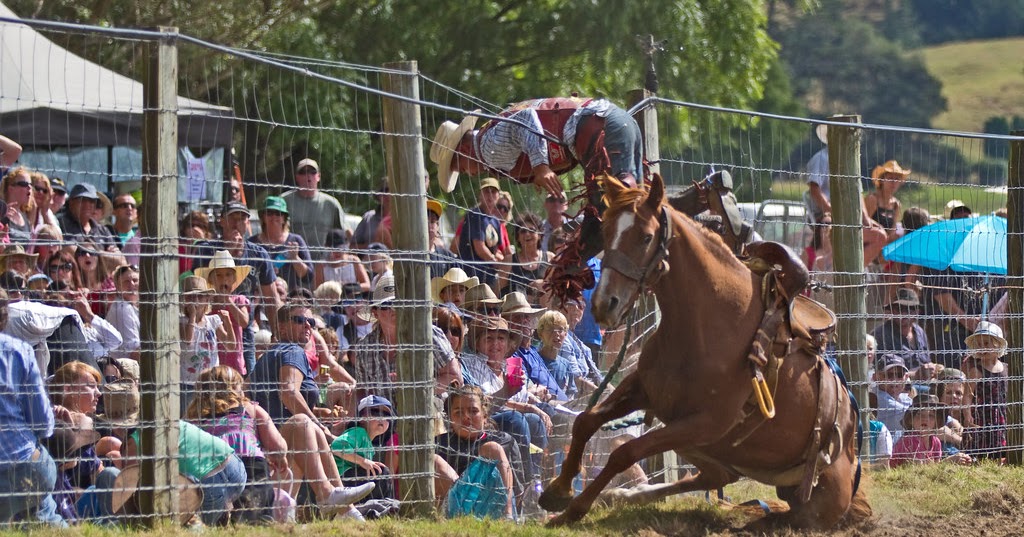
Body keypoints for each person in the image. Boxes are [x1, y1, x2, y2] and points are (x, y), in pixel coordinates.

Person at [245, 300, 376, 514]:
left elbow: (258, 394)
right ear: (282, 327)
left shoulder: (266, 356)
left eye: (311, 321)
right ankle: (327, 495)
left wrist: (317, 414)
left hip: (270, 453)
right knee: (305, 423)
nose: (307, 325)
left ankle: (346, 510)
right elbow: (288, 393)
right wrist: (317, 422)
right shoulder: (292, 351)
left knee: (310, 426)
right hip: (278, 454)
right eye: (299, 320)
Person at [430, 97, 643, 198]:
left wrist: (540, 165)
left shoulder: (486, 149)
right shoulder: (491, 134)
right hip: (616, 122)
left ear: (465, 151)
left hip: (601, 130)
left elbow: (526, 118)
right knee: (638, 203)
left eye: (463, 168)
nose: (470, 174)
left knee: (611, 207)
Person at [186, 365, 290, 524]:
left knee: (214, 512)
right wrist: (278, 455)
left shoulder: (196, 417)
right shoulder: (249, 409)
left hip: (211, 468)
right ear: (234, 388)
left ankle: (221, 518)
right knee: (254, 512)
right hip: (250, 463)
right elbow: (278, 446)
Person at [459, 316, 548, 490]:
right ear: (477, 344)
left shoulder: (511, 365)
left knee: (539, 420)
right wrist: (513, 396)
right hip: (487, 419)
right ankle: (525, 486)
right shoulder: (473, 364)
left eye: (500, 339)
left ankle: (540, 479)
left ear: (508, 344)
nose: (495, 344)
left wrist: (536, 402)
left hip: (513, 414)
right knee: (517, 420)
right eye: (489, 339)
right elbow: (482, 404)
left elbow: (521, 397)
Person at [192, 202, 281, 366]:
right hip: (210, 326)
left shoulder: (258, 254)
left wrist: (278, 333)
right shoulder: (205, 250)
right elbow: (196, 289)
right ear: (222, 221)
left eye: (242, 219)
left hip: (243, 327)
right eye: (233, 218)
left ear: (248, 223)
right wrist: (230, 253)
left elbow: (272, 299)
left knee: (245, 379)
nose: (237, 223)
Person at [0, 330, 65, 526]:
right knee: (42, 509)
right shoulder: (17, 350)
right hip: (27, 465)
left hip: (24, 471)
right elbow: (44, 425)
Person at [433, 386, 521, 519]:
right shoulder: (439, 443)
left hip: (493, 505)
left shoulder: (503, 440)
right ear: (450, 419)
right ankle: (462, 520)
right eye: (458, 412)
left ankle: (508, 518)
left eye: (473, 411)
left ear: (485, 417)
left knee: (492, 448)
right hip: (454, 509)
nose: (466, 417)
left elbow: (519, 490)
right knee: (433, 460)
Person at [179, 276, 235, 412]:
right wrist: (192, 316)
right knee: (189, 415)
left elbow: (231, 345)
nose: (196, 301)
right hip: (188, 382)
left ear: (207, 299)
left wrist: (227, 321)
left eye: (200, 297)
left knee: (210, 414)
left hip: (211, 381)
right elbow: (188, 341)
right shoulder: (181, 321)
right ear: (184, 301)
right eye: (191, 297)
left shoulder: (213, 320)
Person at [330, 395, 399, 502]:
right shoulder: (358, 432)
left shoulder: (368, 444)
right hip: (341, 479)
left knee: (378, 471)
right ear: (362, 417)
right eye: (375, 412)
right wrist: (363, 461)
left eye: (386, 415)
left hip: (351, 480)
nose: (382, 418)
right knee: (381, 473)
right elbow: (336, 446)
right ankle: (384, 505)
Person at [196, 250, 251, 376]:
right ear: (211, 279)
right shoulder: (207, 305)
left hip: (234, 363)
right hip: (211, 363)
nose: (224, 279)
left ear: (234, 279)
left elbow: (244, 322)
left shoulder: (239, 300)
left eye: (228, 275)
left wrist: (227, 300)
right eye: (218, 275)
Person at [281, 159, 348, 259]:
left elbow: (343, 236)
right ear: (297, 177)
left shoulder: (331, 204)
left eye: (312, 172)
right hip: (291, 262)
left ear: (318, 176)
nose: (308, 176)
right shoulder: (284, 201)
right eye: (303, 172)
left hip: (323, 263)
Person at [961, 321, 1008, 461]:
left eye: (986, 344)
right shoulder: (976, 371)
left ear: (997, 345)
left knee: (1000, 446)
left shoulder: (1006, 368)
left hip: (1000, 415)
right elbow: (968, 395)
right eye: (979, 345)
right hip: (981, 416)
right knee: (979, 446)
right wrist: (967, 415)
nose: (982, 348)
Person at [252, 195, 314, 293]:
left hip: (289, 301)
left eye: (278, 213)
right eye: (269, 213)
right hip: (259, 299)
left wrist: (295, 258)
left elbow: (308, 277)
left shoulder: (296, 240)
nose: (274, 217)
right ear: (263, 217)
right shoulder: (252, 243)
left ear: (284, 218)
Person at [890, 394, 971, 468]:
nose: (925, 418)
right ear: (911, 420)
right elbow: (920, 468)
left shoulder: (936, 441)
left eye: (931, 416)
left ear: (937, 422)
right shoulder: (910, 440)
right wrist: (950, 460)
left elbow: (935, 469)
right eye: (920, 414)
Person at [871, 288, 932, 378]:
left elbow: (927, 361)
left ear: (917, 312)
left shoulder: (920, 331)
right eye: (898, 309)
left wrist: (932, 368)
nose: (903, 313)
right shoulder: (880, 335)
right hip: (896, 388)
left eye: (909, 309)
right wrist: (915, 374)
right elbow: (879, 372)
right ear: (892, 311)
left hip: (925, 385)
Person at [455, 178, 506, 286]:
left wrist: (507, 263)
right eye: (487, 191)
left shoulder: (495, 221)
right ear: (480, 194)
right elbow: (480, 248)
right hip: (471, 274)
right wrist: (498, 264)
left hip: (487, 275)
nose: (490, 195)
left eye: (494, 192)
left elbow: (497, 249)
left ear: (498, 195)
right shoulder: (475, 214)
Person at [497, 212, 551, 297]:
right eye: (523, 231)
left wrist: (543, 284)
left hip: (545, 309)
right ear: (517, 237)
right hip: (516, 309)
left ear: (540, 235)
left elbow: (559, 289)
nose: (527, 234)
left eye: (532, 230)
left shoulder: (550, 259)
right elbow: (497, 292)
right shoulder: (509, 261)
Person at [57, 183, 117, 251]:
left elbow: (119, 257)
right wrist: (104, 254)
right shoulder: (59, 225)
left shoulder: (102, 230)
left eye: (92, 201)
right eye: (82, 200)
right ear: (71, 202)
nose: (87, 204)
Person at [865, 160, 910, 244]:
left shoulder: (896, 205)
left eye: (897, 179)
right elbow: (864, 223)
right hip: (869, 242)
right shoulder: (872, 199)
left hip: (884, 245)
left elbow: (892, 231)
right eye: (890, 178)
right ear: (882, 180)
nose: (894, 182)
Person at [872, 353, 913, 442]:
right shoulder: (879, 399)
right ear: (875, 377)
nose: (895, 380)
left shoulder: (903, 398)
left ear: (906, 377)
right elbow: (921, 417)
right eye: (889, 375)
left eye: (899, 375)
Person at [105, 264, 140, 361]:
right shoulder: (123, 308)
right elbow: (134, 352)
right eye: (126, 282)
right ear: (118, 287)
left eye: (135, 280)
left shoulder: (131, 306)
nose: (132, 284)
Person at [426, 199, 459, 279]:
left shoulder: (446, 256)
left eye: (432, 221)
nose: (429, 225)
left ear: (438, 226)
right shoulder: (412, 255)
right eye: (424, 220)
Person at [106, 193, 140, 262]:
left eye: (133, 206)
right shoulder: (105, 235)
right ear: (114, 211)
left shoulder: (139, 237)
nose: (129, 208)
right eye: (124, 205)